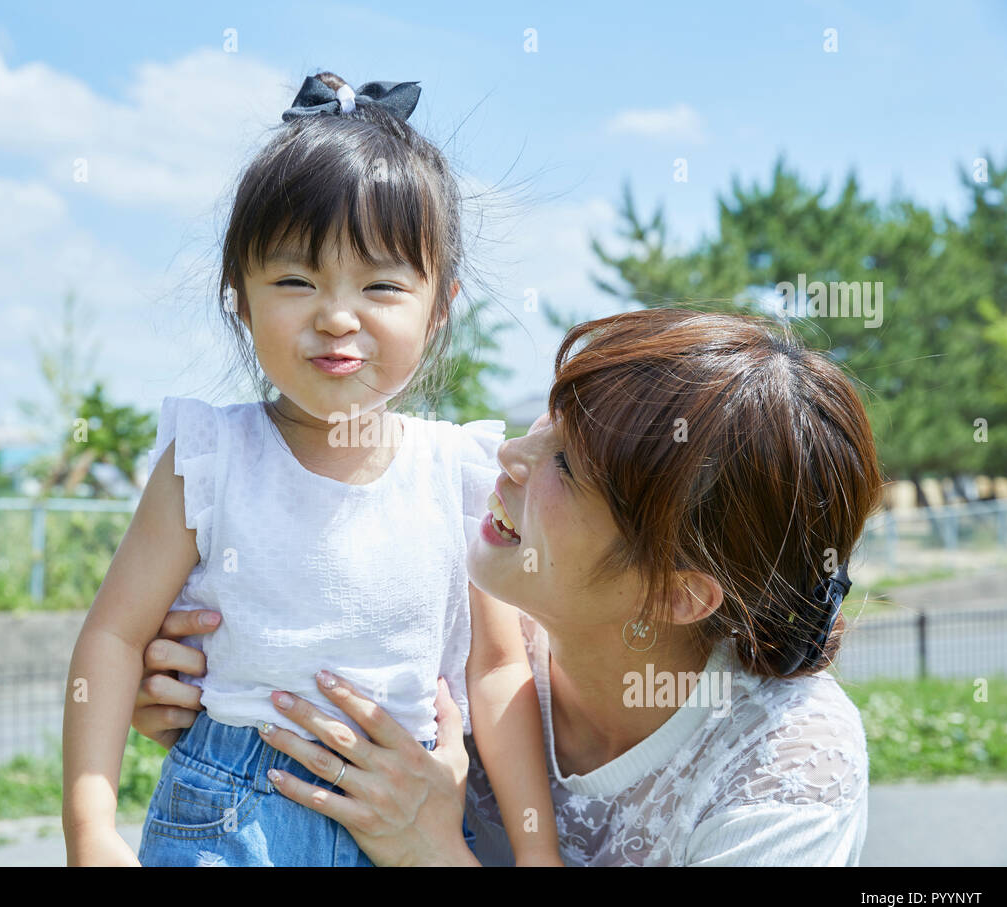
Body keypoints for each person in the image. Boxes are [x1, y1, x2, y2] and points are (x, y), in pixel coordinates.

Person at [132, 308, 884, 865]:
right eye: (549, 419)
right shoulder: (447, 624)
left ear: (677, 594)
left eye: (566, 466)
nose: (510, 454)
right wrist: (217, 704)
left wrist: (432, 852)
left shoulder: (783, 764)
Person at [62, 71, 562, 867]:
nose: (336, 315)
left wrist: (539, 858)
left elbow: (497, 673)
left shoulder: (459, 473)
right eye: (295, 280)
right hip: (225, 821)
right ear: (240, 295)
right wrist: (90, 831)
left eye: (382, 284)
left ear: (439, 309)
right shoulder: (206, 459)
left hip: (407, 817)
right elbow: (114, 638)